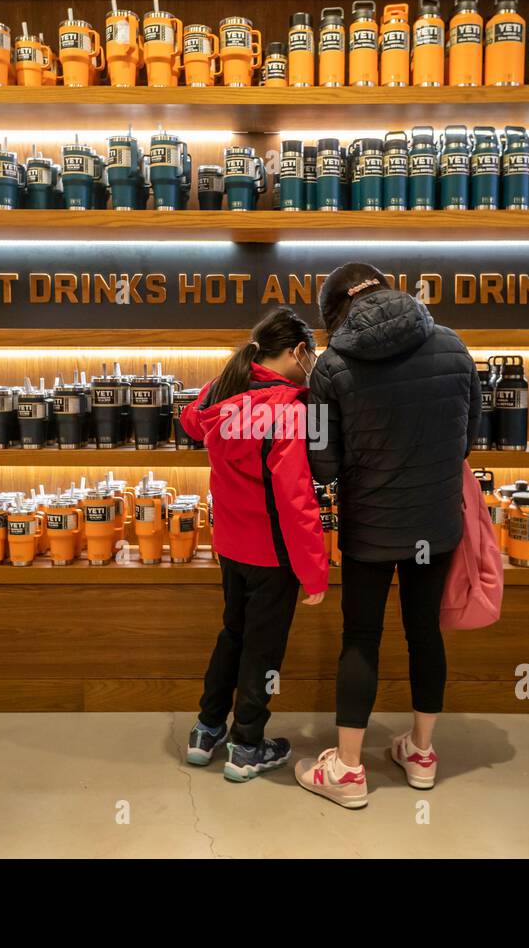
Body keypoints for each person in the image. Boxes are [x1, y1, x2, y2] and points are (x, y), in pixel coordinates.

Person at [295, 263, 480, 809]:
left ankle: (349, 770)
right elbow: (467, 438)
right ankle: (422, 754)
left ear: (334, 312)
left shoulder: (328, 369)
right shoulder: (452, 345)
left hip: (371, 529)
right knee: (425, 632)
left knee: (362, 638)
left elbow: (322, 466)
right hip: (436, 524)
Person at [180, 307, 329, 783]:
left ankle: (206, 731)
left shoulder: (224, 396)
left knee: (234, 635)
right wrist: (315, 571)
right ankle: (246, 746)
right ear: (299, 352)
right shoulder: (287, 410)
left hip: (231, 546)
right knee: (263, 650)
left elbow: (190, 419)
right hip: (273, 554)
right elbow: (295, 499)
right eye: (313, 354)